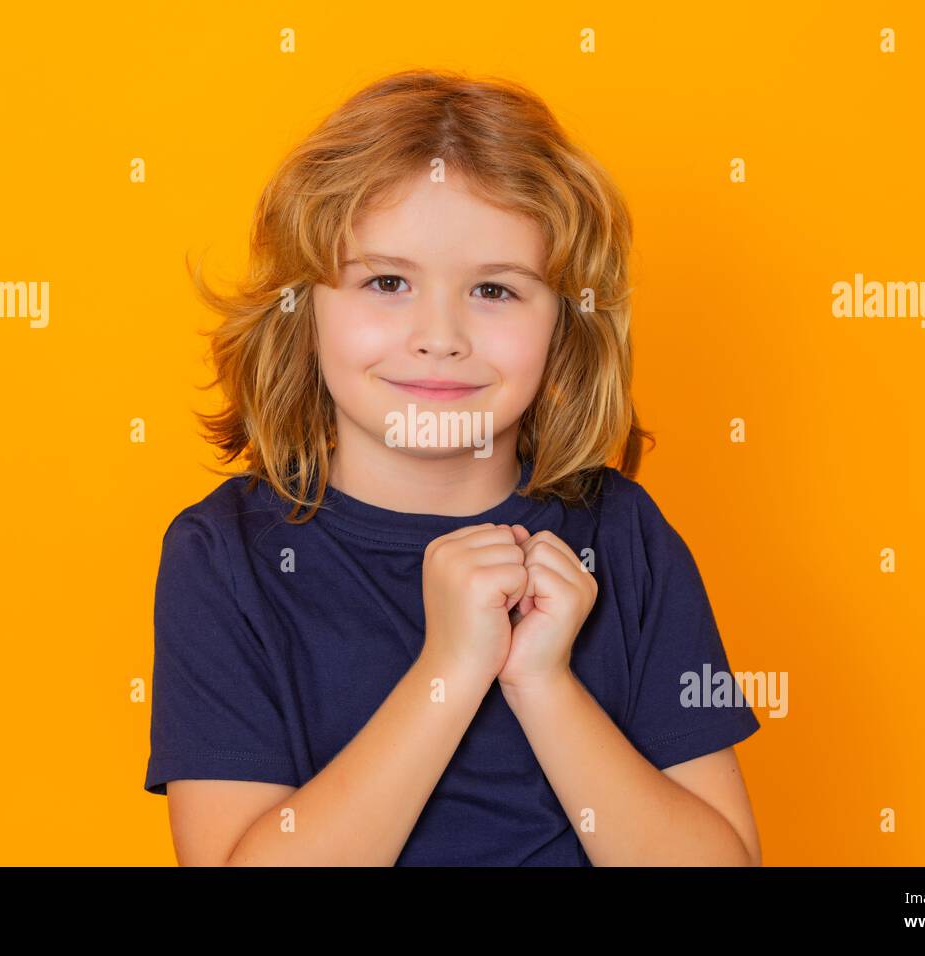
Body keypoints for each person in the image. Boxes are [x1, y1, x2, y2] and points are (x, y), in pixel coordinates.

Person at [143, 68, 763, 866]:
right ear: (303, 309)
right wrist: (452, 667)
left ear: (564, 326)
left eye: (496, 291)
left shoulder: (626, 536)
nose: (441, 336)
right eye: (388, 282)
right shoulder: (224, 557)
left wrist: (543, 683)